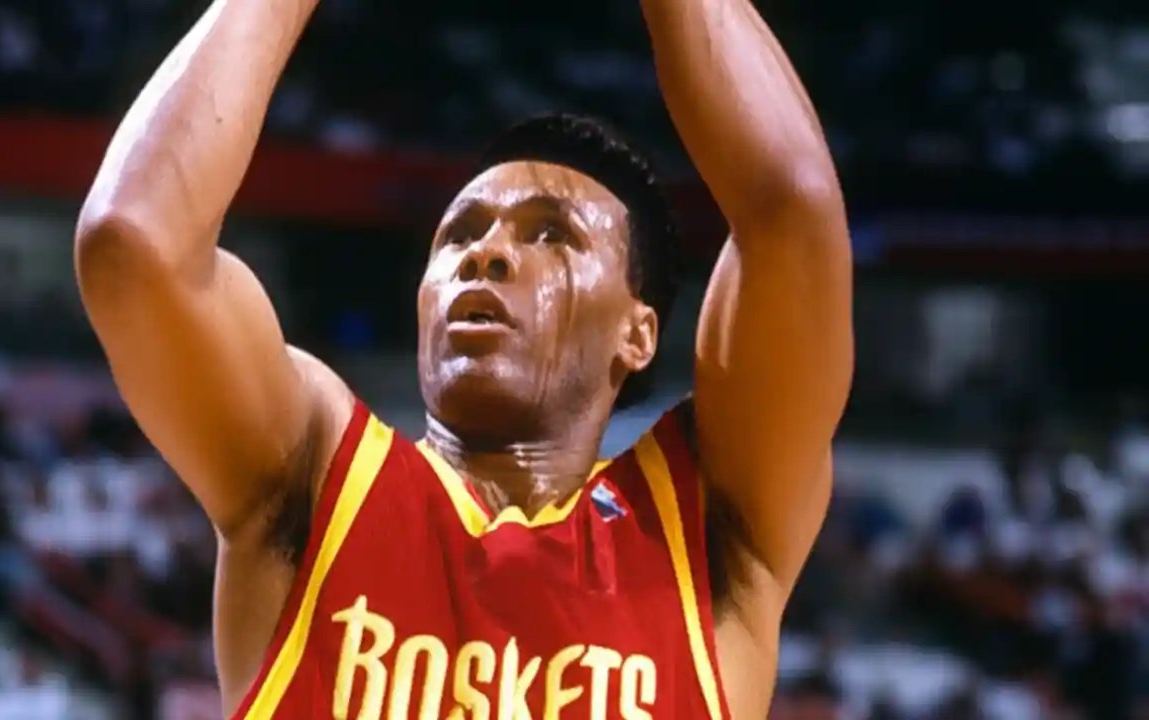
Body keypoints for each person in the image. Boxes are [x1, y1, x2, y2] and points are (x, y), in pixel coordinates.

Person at [74, 0, 853, 715]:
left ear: (638, 332)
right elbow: (135, 245)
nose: (487, 254)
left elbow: (793, 214)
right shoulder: (314, 472)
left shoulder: (705, 524)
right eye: (458, 235)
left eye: (552, 234)